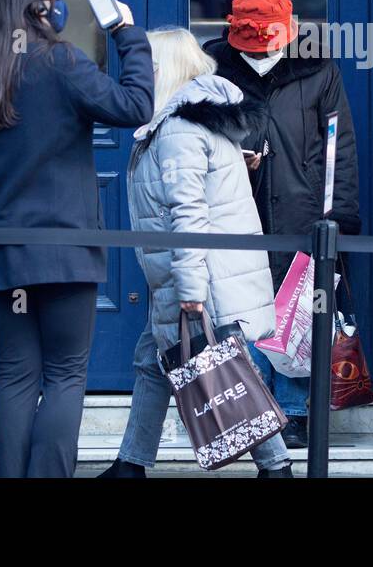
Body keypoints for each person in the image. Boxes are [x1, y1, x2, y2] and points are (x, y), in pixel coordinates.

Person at [0, 0, 153, 478]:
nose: (60, 2)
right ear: (37, 5)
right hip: (66, 248)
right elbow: (135, 106)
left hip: (2, 246)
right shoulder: (62, 63)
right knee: (64, 375)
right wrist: (127, 33)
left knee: (15, 375)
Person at [104, 27, 292, 478]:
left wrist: (190, 289)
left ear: (163, 71)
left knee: (229, 371)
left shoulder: (178, 130)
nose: (136, 76)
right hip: (201, 273)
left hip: (201, 279)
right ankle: (131, 464)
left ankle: (277, 466)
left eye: (144, 67)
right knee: (153, 361)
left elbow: (188, 216)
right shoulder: (196, 121)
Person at [203, 0, 361, 448]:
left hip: (302, 210)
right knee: (239, 309)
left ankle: (291, 414)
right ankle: (249, 410)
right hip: (234, 208)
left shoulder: (319, 71)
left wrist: (338, 214)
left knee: (295, 315)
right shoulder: (212, 67)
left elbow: (338, 148)